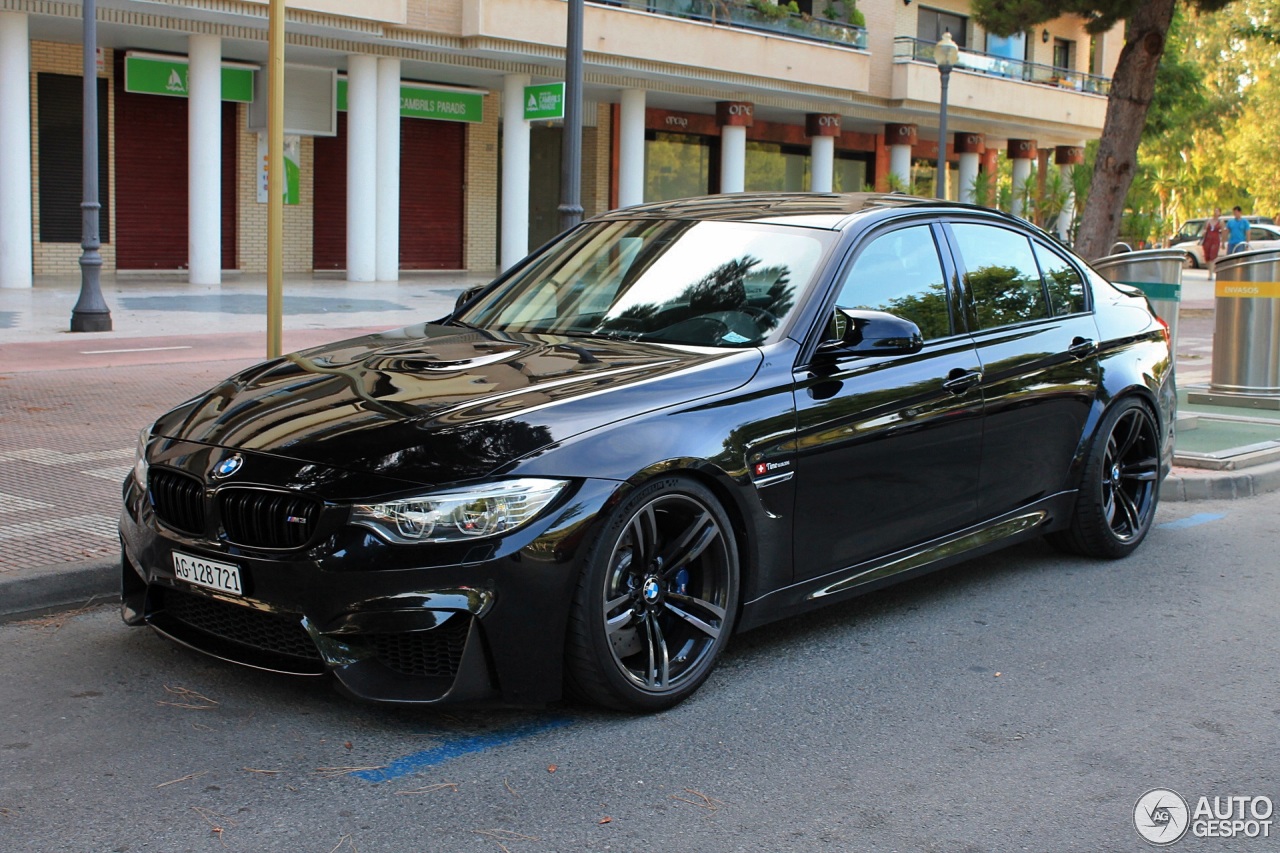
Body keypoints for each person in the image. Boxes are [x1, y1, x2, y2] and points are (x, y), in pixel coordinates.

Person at [1201, 208, 1224, 277]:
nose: (1215, 212)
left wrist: (1223, 242)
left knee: (1212, 256)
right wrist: (1203, 233)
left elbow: (1223, 232)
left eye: (1217, 211)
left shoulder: (1221, 222)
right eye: (1215, 211)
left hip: (1215, 240)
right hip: (1207, 240)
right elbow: (1204, 229)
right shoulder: (1208, 221)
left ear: (1219, 213)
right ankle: (1211, 269)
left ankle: (1210, 274)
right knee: (1207, 257)